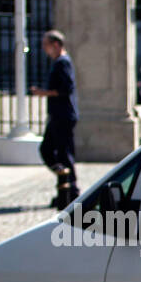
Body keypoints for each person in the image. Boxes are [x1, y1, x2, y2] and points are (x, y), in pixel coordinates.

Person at [31, 30, 80, 209]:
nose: (44, 49)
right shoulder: (59, 63)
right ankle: (65, 187)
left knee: (63, 154)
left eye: (46, 45)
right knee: (49, 150)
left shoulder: (63, 63)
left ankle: (70, 191)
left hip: (63, 115)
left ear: (56, 44)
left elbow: (66, 88)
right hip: (59, 115)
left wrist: (43, 93)